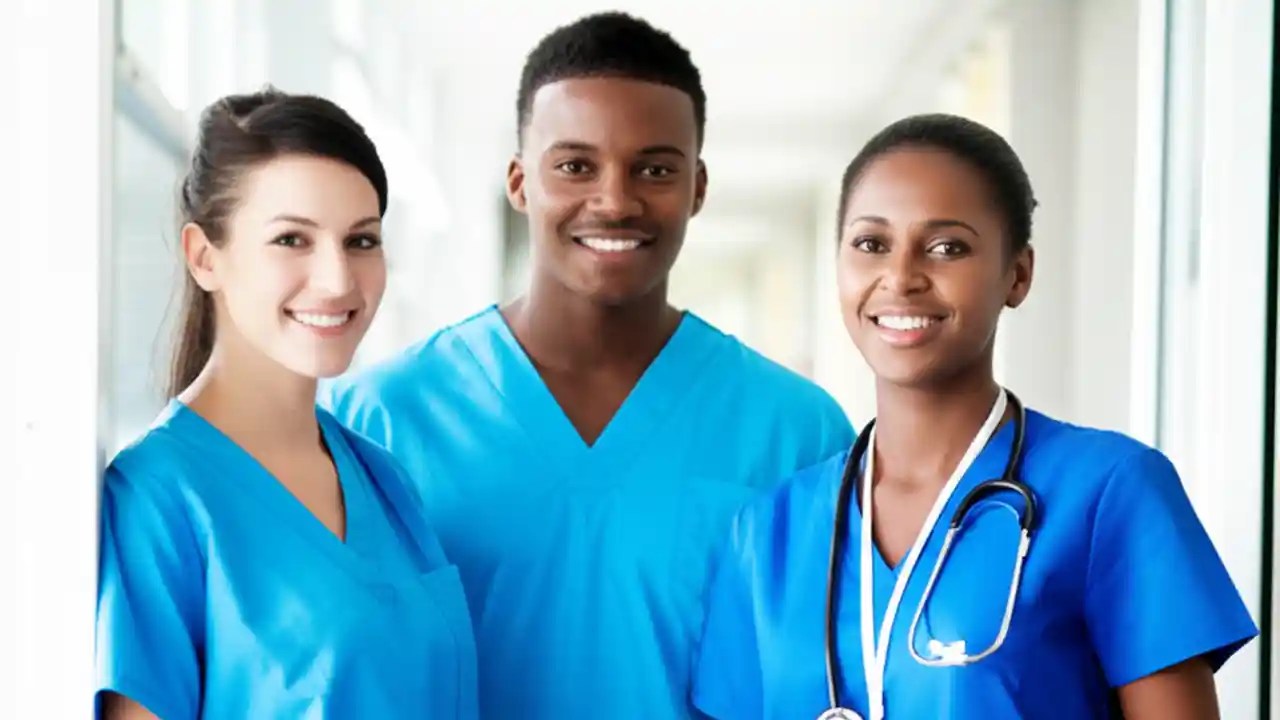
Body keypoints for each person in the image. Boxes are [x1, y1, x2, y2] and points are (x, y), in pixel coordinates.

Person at [320, 11, 854, 719]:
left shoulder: (796, 432)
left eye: (655, 169)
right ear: (519, 181)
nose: (614, 200)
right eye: (575, 166)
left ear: (697, 187)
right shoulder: (376, 420)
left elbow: (821, 684)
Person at [691, 113, 1258, 720]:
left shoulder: (1109, 491)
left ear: (1017, 274)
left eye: (947, 248)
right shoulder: (770, 529)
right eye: (871, 244)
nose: (901, 276)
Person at [95, 88, 478, 720]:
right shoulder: (160, 502)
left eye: (361, 241)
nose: (337, 280)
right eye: (292, 240)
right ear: (204, 257)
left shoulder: (383, 480)